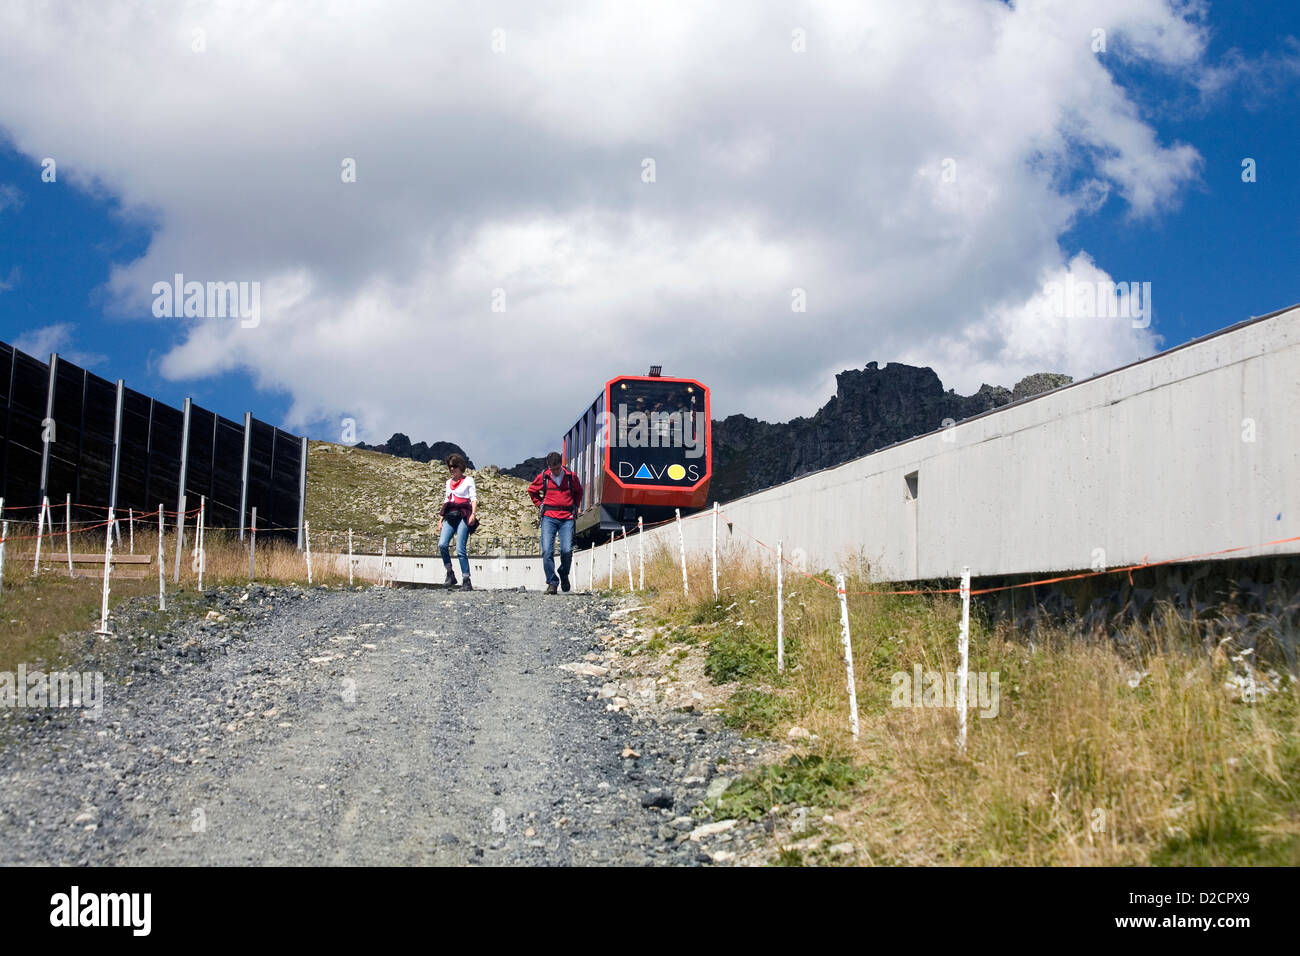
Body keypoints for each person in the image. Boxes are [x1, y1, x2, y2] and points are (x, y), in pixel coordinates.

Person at [528, 451, 583, 594]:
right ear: (548, 467)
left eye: (557, 469)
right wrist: (540, 504)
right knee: (547, 550)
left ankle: (564, 574)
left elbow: (579, 492)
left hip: (567, 518)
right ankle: (552, 582)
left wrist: (575, 507)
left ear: (561, 465)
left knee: (566, 550)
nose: (555, 472)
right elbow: (532, 490)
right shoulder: (544, 476)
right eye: (552, 469)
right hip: (549, 517)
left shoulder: (571, 476)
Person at [438, 453, 477, 590]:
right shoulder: (448, 482)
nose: (452, 469)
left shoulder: (469, 480)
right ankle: (450, 573)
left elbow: (473, 498)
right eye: (450, 467)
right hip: (450, 515)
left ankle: (466, 579)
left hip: (463, 515)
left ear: (460, 467)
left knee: (460, 548)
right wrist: (440, 519)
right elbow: (446, 500)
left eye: (454, 466)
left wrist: (473, 514)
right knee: (442, 544)